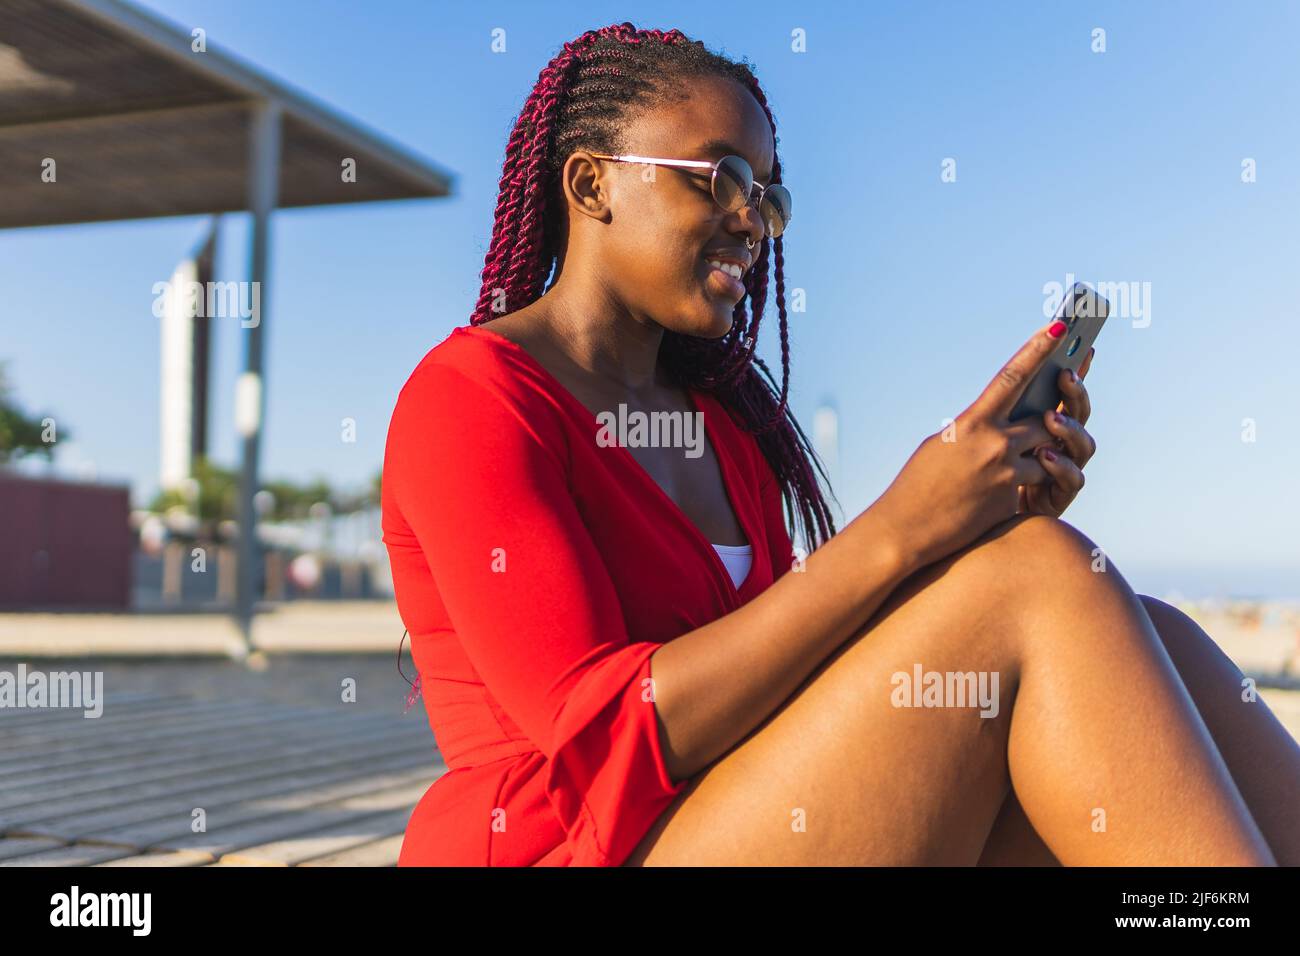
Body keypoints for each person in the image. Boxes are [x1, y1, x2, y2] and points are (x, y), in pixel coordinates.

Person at [381, 22, 1299, 866]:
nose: (753, 218)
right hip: (575, 846)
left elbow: (787, 677)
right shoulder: (473, 399)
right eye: (722, 179)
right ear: (592, 185)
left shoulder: (724, 428)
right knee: (1037, 582)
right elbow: (605, 730)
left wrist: (964, 523)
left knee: (1150, 634)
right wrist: (904, 525)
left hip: (736, 813)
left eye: (769, 196)